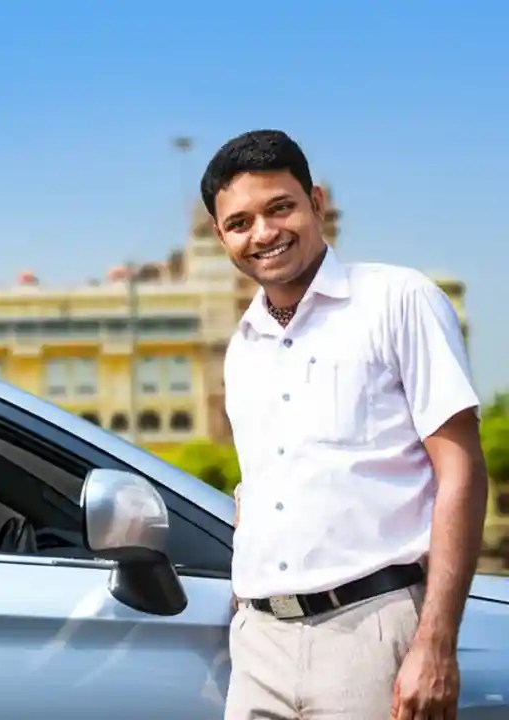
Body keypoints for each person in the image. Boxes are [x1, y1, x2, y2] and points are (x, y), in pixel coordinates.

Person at [205, 129, 487, 719]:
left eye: (280, 207)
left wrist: (435, 644)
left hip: (372, 633)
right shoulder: (243, 347)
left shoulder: (397, 300)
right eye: (240, 222)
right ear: (220, 235)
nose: (264, 233)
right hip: (259, 647)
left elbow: (460, 472)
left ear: (317, 201)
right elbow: (261, 484)